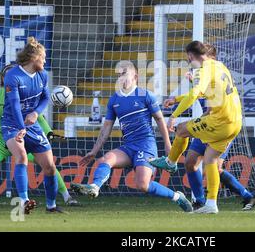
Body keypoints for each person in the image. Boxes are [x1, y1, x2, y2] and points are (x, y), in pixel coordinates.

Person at [70, 61, 193, 212]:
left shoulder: (145, 95)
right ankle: (94, 187)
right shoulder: (114, 100)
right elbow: (107, 127)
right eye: (119, 75)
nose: (121, 78)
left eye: (124, 74)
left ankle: (177, 196)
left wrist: (168, 145)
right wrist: (94, 151)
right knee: (105, 159)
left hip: (146, 145)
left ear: (135, 76)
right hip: (128, 146)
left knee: (142, 185)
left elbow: (160, 119)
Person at [0, 64, 79, 208]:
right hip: (1, 142)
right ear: (4, 79)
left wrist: (49, 132)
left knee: (49, 165)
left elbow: (39, 117)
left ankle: (67, 197)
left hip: (23, 139)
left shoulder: (26, 94)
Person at [149, 41, 243, 214]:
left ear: (191, 55)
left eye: (188, 57)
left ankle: (170, 162)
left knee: (181, 129)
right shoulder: (220, 66)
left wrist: (174, 116)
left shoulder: (202, 69)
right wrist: (177, 99)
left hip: (219, 120)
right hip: (235, 122)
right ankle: (211, 204)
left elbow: (194, 93)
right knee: (210, 161)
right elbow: (204, 93)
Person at [1, 37, 61, 213]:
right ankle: (24, 201)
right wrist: (21, 128)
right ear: (34, 58)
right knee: (21, 156)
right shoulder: (13, 76)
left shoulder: (42, 75)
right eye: (43, 57)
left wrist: (36, 113)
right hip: (12, 124)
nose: (45, 60)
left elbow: (45, 98)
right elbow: (14, 105)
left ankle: (51, 205)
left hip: (32, 125)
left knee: (50, 167)